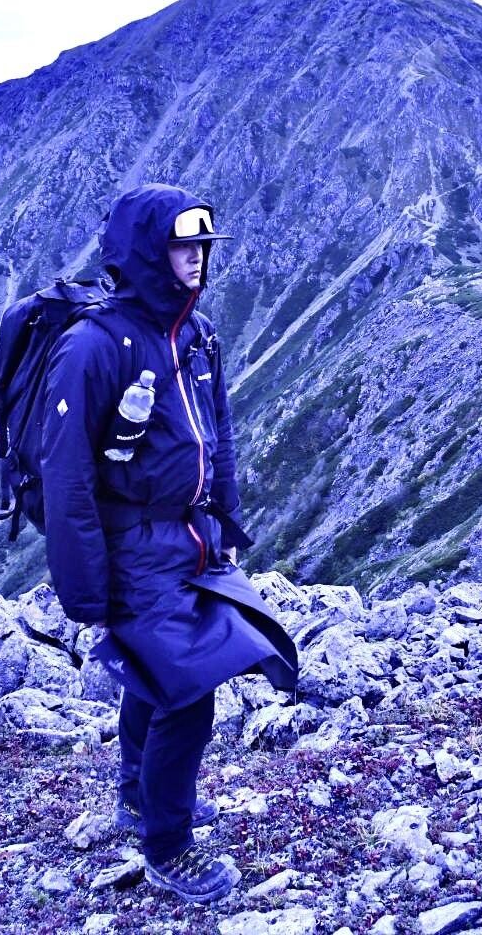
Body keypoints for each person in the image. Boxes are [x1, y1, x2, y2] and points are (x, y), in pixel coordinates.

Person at [41, 182, 299, 904]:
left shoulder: (196, 334)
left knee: (156, 679)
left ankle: (137, 796)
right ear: (149, 252)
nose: (198, 258)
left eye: (203, 246)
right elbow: (65, 480)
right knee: (188, 694)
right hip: (131, 548)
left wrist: (226, 526)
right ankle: (168, 847)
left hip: (189, 541)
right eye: (185, 246)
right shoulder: (92, 349)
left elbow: (219, 439)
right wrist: (86, 591)